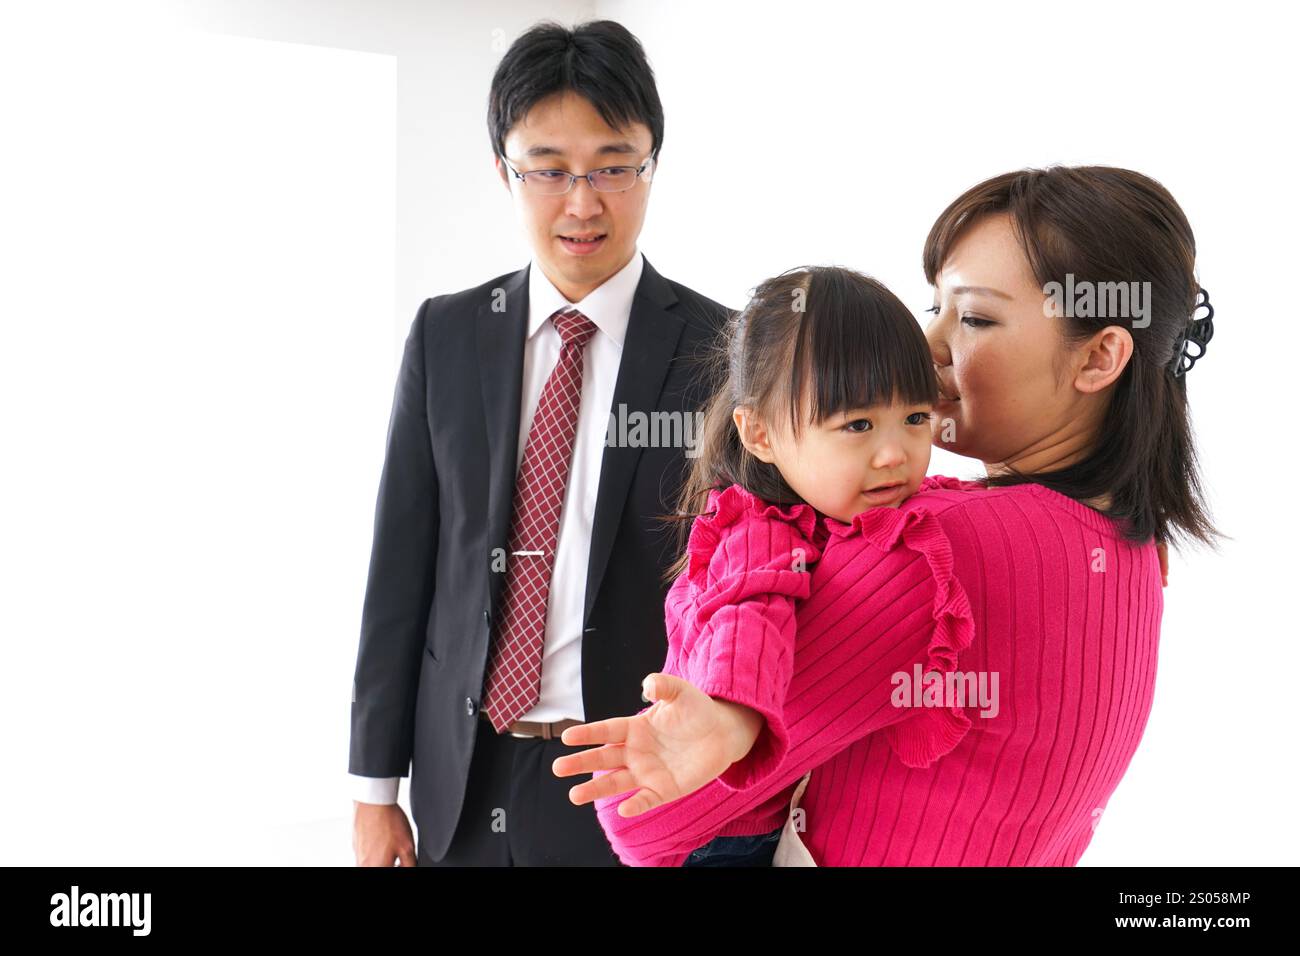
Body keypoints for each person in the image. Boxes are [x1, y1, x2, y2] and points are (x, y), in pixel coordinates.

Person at [553, 165, 1218, 866]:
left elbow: (648, 819)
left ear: (1101, 356)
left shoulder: (935, 551)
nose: (926, 348)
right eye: (936, 307)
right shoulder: (1135, 548)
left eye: (977, 317)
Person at [348, 19, 730, 866]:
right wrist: (376, 792)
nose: (583, 201)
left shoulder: (727, 354)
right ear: (504, 171)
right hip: (463, 776)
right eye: (549, 170)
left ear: (652, 164)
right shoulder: (447, 335)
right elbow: (400, 568)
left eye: (613, 166)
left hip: (632, 779)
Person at [640, 266, 941, 866]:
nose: (894, 454)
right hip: (726, 837)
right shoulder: (755, 533)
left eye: (915, 418)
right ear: (759, 434)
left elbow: (955, 502)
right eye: (857, 425)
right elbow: (749, 620)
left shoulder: (845, 500)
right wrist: (732, 716)